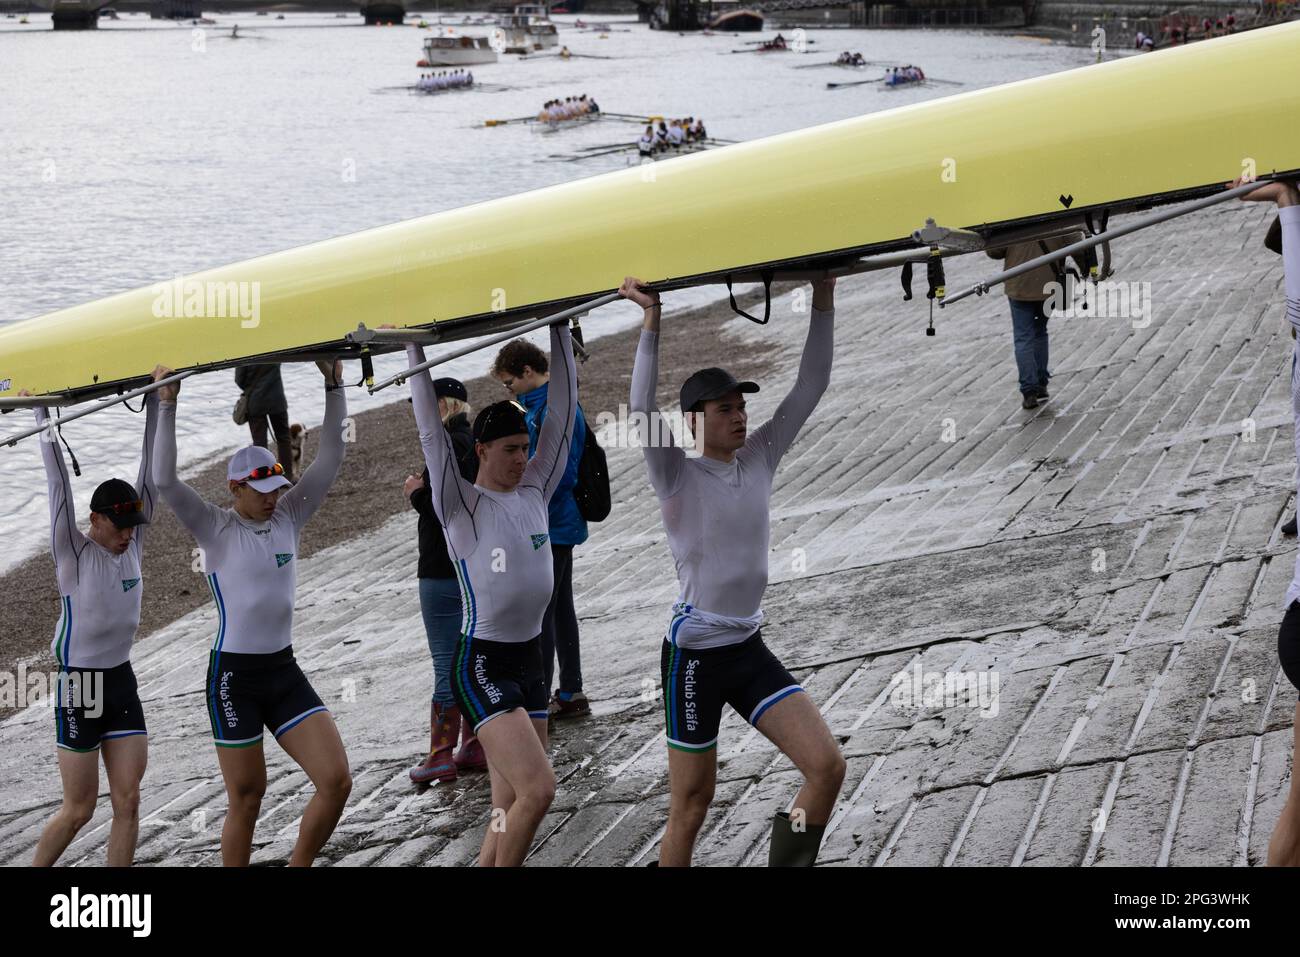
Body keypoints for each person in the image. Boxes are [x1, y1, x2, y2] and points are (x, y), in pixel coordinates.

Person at [621, 275, 847, 867]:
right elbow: (640, 409)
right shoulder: (676, 475)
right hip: (693, 659)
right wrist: (651, 321)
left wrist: (823, 292)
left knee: (826, 766)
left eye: (743, 407)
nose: (741, 418)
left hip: (747, 649)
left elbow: (811, 383)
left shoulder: (761, 458)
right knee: (692, 802)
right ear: (695, 420)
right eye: (726, 409)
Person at [152, 359, 352, 867]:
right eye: (260, 492)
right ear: (234, 489)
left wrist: (333, 384)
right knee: (247, 796)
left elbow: (330, 456)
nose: (272, 500)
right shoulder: (213, 527)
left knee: (335, 780)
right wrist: (167, 404)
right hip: (234, 678)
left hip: (282, 671)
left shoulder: (290, 514)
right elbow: (165, 480)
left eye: (277, 489)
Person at [402, 319, 578, 867]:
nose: (521, 458)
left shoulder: (534, 490)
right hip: (482, 664)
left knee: (506, 800)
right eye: (508, 450)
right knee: (539, 790)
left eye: (524, 447)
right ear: (480, 450)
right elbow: (432, 436)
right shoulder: (461, 505)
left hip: (531, 660)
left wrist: (558, 332)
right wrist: (413, 353)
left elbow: (564, 419)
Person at [27, 388, 158, 867]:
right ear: (95, 520)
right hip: (80, 686)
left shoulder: (134, 543)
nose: (129, 535)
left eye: (132, 526)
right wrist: (43, 414)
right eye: (120, 527)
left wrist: (162, 404)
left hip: (121, 682)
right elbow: (57, 483)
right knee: (79, 808)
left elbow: (151, 473)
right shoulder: (73, 553)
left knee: (129, 802)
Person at [492, 337, 591, 720]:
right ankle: (571, 690)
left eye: (509, 382)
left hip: (551, 523)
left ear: (527, 372)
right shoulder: (555, 403)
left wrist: (527, 501)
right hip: (562, 521)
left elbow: (559, 471)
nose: (509, 390)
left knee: (543, 611)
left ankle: (543, 696)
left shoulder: (549, 409)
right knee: (561, 608)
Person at [405, 377, 486, 783]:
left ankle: (440, 754)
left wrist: (416, 493)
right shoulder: (475, 441)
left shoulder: (447, 446)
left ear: (441, 405)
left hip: (439, 567)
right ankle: (474, 744)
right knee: (471, 654)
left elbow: (443, 510)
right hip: (471, 564)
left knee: (445, 660)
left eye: (422, 405)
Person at [985, 234, 1087, 409]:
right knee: (1040, 331)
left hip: (1019, 286)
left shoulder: (1009, 217)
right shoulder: (1056, 214)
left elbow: (995, 251)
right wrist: (1087, 269)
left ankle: (1029, 390)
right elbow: (1076, 244)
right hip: (1049, 284)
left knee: (1023, 336)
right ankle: (1041, 384)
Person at [235, 363, 295, 483]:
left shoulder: (243, 349)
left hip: (256, 402)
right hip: (277, 399)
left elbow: (239, 379)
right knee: (283, 438)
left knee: (259, 442)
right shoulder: (274, 345)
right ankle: (287, 475)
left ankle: (263, 479)